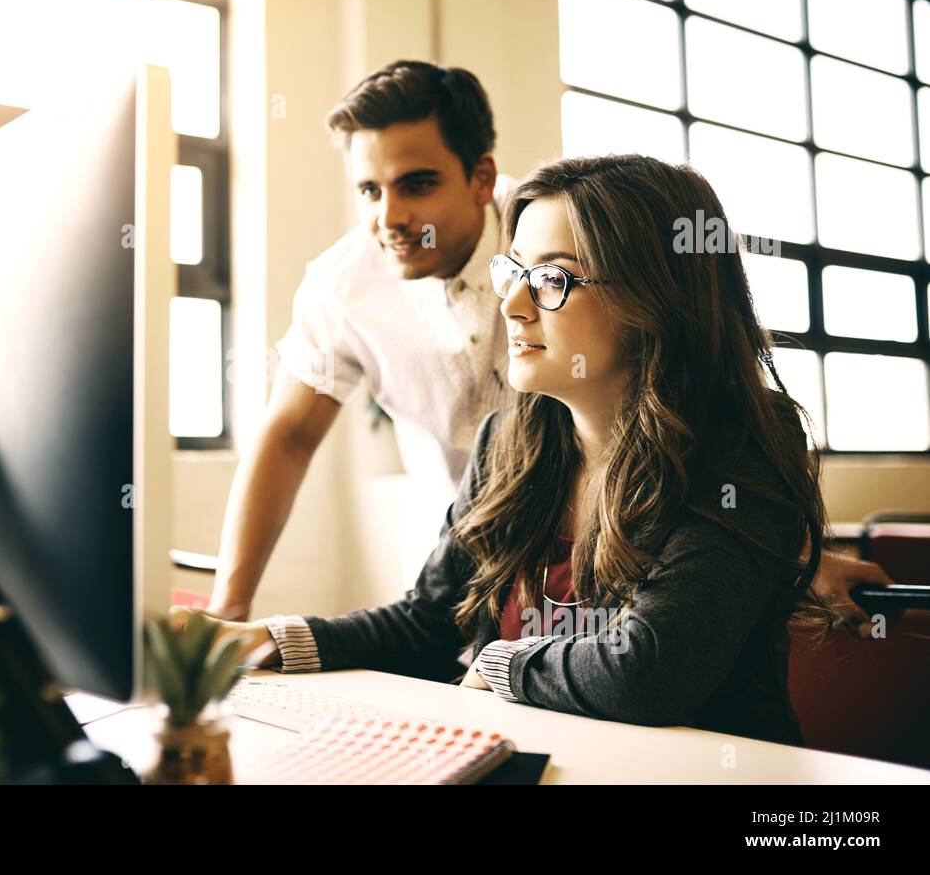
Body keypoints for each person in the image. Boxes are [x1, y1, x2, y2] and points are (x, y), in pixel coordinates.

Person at [181, 154, 849, 745]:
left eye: (553, 279)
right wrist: (276, 637)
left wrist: (498, 660)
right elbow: (430, 622)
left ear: (656, 298)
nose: (515, 304)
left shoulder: (741, 445)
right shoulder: (512, 440)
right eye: (514, 271)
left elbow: (649, 670)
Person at [206, 59, 889, 637]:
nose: (390, 217)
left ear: (481, 178)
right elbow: (290, 435)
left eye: (417, 184)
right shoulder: (339, 287)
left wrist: (785, 549)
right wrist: (231, 611)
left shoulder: (556, 226)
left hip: (643, 544)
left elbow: (694, 384)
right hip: (492, 551)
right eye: (368, 190)